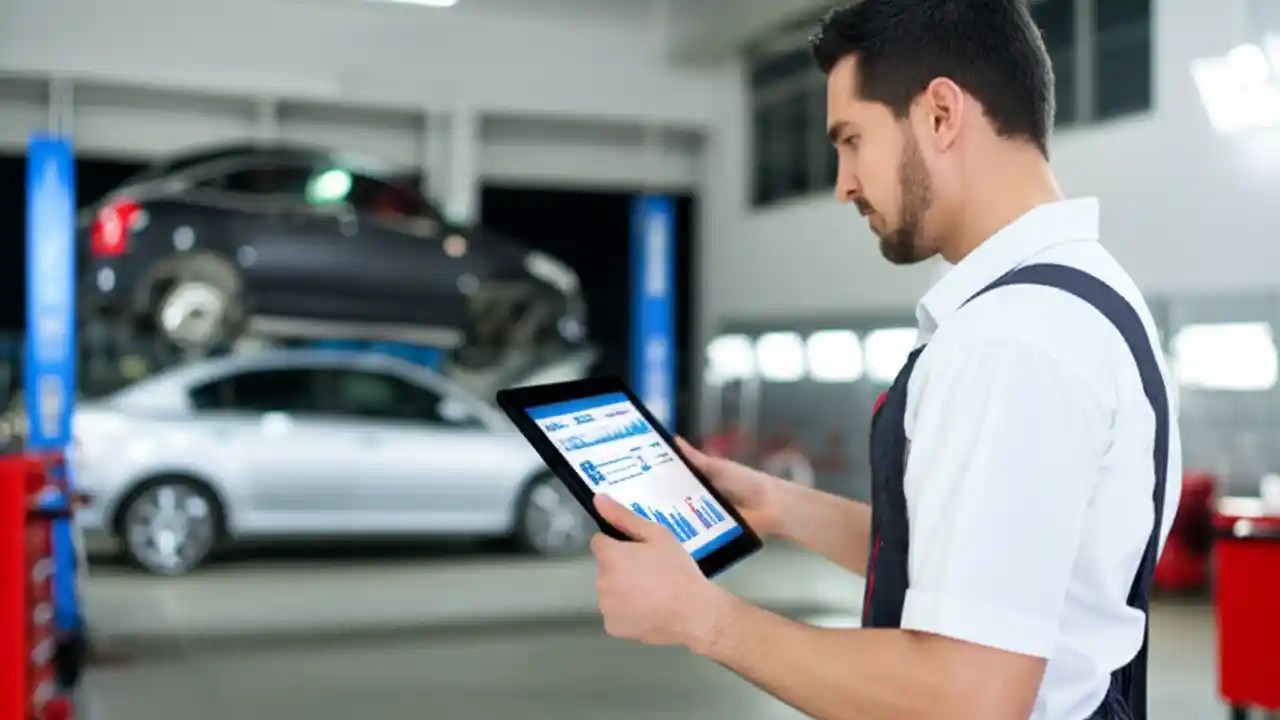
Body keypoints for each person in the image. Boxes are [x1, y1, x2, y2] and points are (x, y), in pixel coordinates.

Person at [586, 1, 1183, 718]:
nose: (843, 182)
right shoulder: (1088, 295)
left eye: (850, 140)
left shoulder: (1011, 342)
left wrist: (701, 618)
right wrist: (781, 506)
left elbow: (966, 699)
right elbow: (990, 560)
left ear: (939, 114)